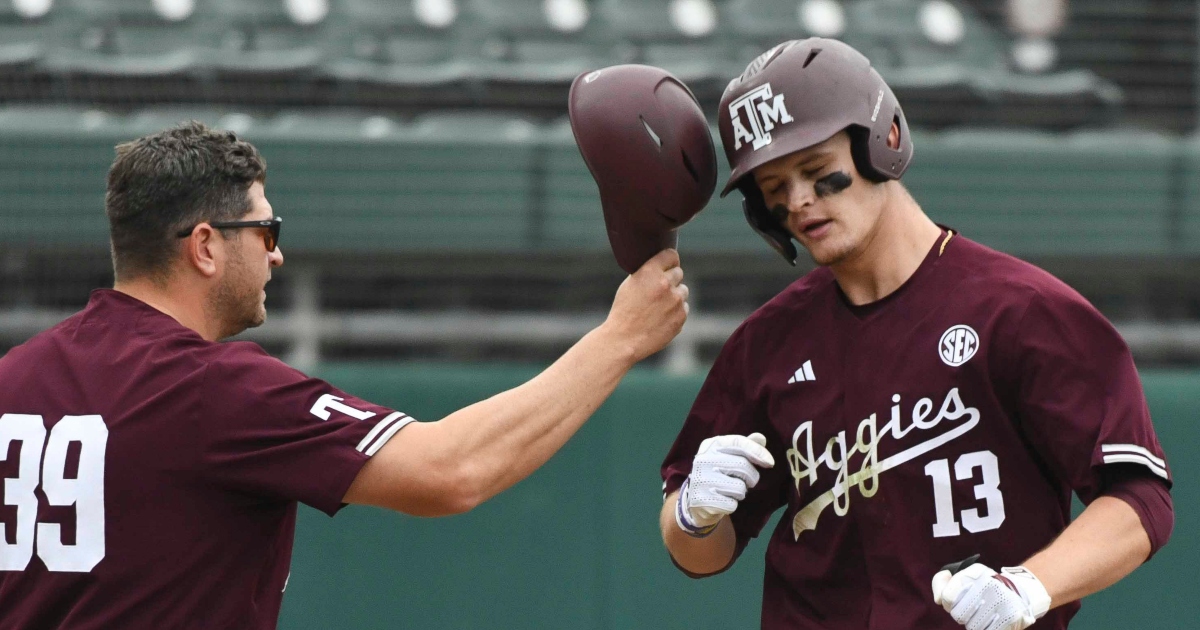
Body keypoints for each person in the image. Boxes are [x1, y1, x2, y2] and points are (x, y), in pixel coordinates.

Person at [0, 122, 689, 629]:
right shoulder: (212, 389)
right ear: (205, 246)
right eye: (265, 231)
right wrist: (620, 339)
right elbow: (452, 470)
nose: (276, 254)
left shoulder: (14, 378)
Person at [658, 38, 1173, 630]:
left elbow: (1140, 499)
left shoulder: (1025, 312)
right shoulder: (765, 344)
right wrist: (693, 517)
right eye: (773, 189)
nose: (798, 201)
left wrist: (1030, 587)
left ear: (883, 140)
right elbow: (698, 554)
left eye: (817, 171)